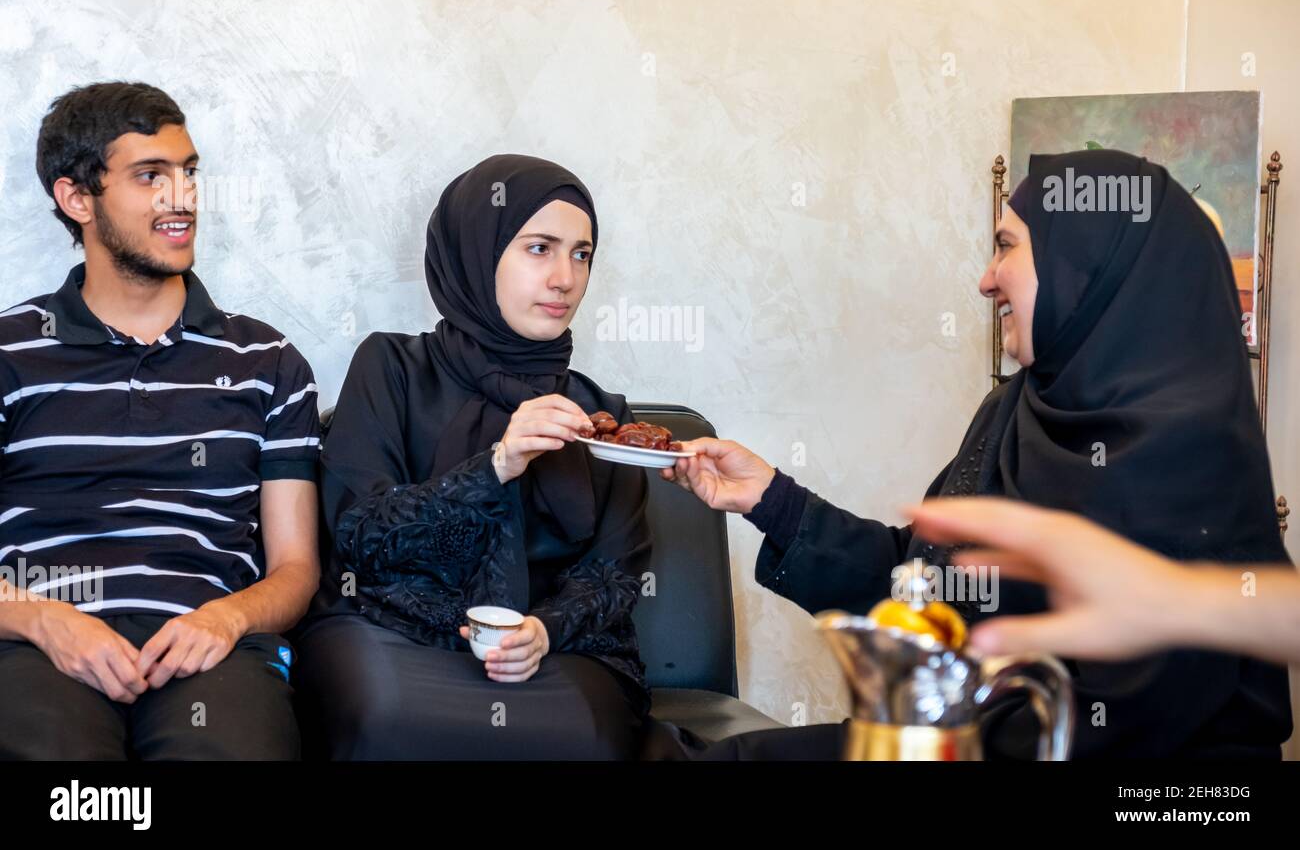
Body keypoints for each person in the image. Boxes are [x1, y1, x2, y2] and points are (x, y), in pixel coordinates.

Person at [664, 149, 1293, 759]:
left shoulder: (1192, 460)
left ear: (1087, 264)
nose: (986, 278)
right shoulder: (1018, 408)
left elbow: (1116, 728)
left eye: (1007, 244)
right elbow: (921, 587)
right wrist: (770, 499)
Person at [0, 82, 321, 759]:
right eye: (151, 176)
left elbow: (296, 570)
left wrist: (228, 617)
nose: (183, 199)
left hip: (212, 644)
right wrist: (41, 620)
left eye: (189, 172)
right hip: (38, 644)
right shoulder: (10, 352)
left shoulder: (268, 361)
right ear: (76, 199)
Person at [293, 154, 652, 760]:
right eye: (539, 248)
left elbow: (616, 575)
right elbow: (359, 536)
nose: (565, 277)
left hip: (554, 652)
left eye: (581, 253)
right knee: (382, 723)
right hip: (389, 633)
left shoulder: (598, 416)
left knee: (584, 741)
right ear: (475, 252)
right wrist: (496, 467)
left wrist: (544, 630)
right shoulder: (392, 369)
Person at [906, 496, 1300, 667]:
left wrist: (1175, 599)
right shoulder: (1008, 411)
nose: (1003, 316)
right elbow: (929, 562)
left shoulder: (1185, 443)